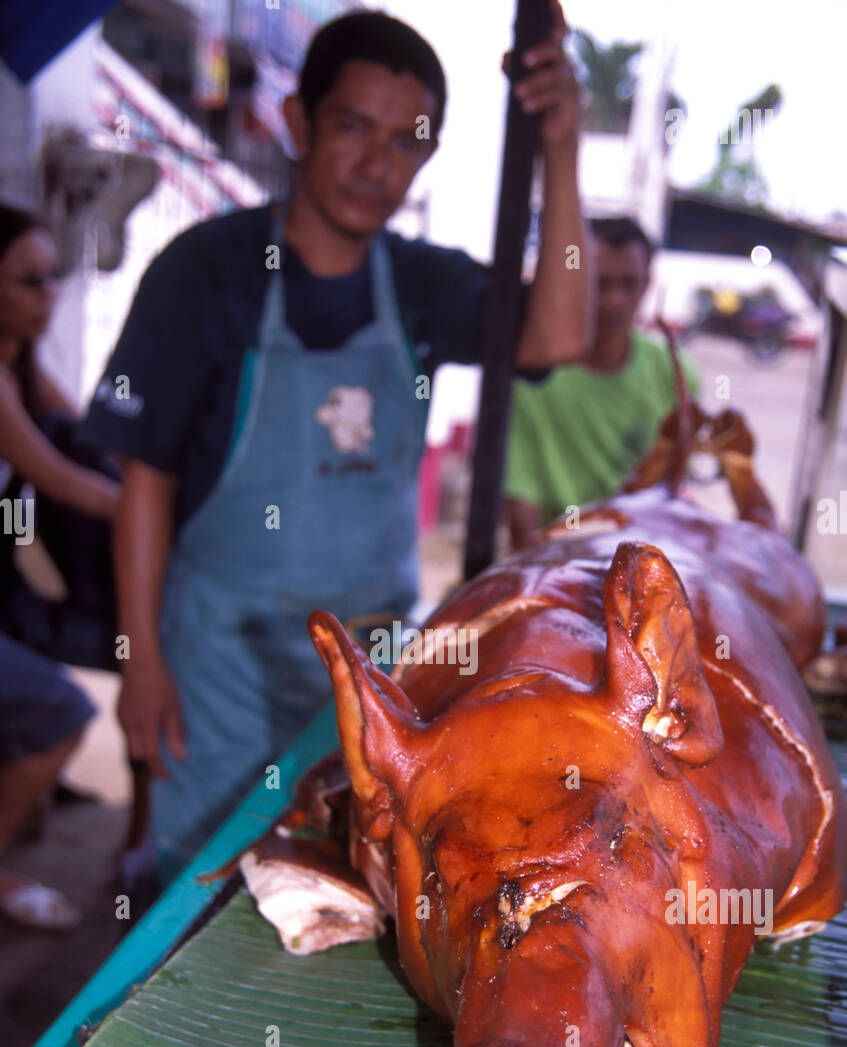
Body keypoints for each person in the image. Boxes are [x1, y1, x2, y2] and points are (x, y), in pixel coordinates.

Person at [77, 6, 591, 884]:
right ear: (298, 122)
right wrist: (142, 663)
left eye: (404, 142)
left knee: (346, 887)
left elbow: (554, 336)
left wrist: (561, 150)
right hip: (218, 666)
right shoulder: (205, 271)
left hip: (370, 665)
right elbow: (146, 479)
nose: (374, 164)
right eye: (353, 127)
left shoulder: (427, 285)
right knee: (193, 889)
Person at [0, 203, 120, 927]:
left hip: (11, 590)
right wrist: (158, 514)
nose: (49, 295)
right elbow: (66, 479)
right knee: (61, 712)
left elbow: (87, 442)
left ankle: (138, 846)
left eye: (54, 279)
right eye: (29, 280)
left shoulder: (22, 367)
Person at [505, 216, 699, 548]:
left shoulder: (674, 372)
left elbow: (674, 489)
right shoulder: (532, 375)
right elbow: (522, 517)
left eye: (629, 284)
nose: (614, 300)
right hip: (560, 557)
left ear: (647, 285)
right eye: (601, 283)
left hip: (647, 559)